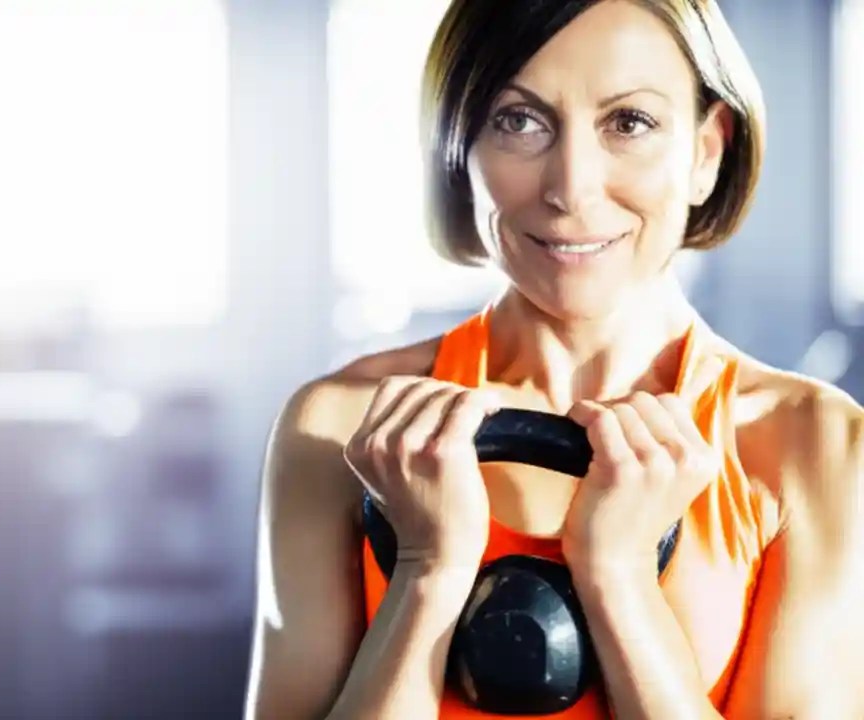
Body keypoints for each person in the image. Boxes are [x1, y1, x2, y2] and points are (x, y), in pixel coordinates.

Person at [243, 1, 864, 718]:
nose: (571, 189)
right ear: (458, 149)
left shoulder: (812, 444)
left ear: (704, 153)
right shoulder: (342, 431)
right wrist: (426, 571)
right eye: (518, 121)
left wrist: (620, 579)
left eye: (628, 123)